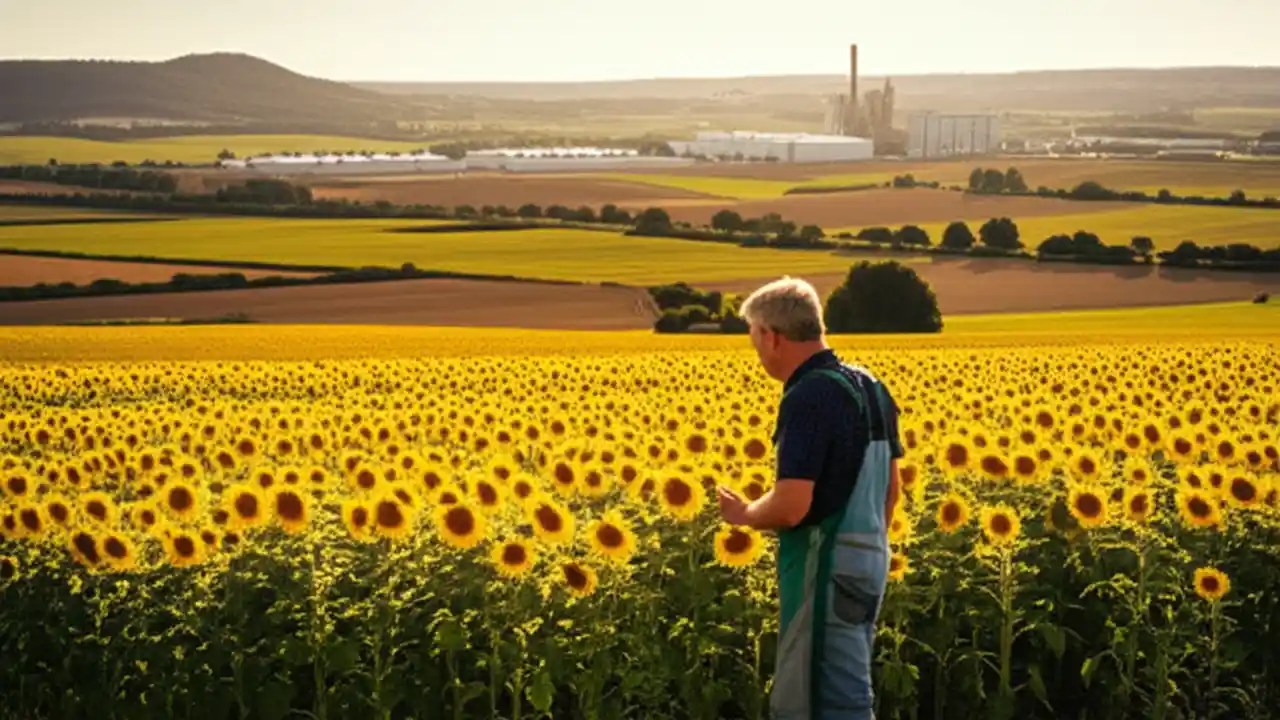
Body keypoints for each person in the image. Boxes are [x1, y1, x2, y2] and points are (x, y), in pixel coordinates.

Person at [717, 276, 903, 720]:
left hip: (828, 567)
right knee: (850, 692)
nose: (756, 352)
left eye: (755, 339)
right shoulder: (872, 388)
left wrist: (745, 514)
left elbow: (792, 504)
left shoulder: (809, 395)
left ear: (772, 336)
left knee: (814, 701)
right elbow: (891, 491)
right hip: (868, 560)